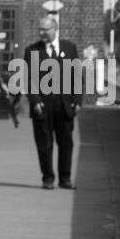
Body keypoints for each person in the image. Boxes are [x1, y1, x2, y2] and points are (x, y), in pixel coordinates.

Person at [22, 15, 80, 189]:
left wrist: (77, 101)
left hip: (64, 105)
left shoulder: (70, 48)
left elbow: (77, 76)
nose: (41, 33)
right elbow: (28, 78)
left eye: (45, 29)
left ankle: (65, 178)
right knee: (44, 143)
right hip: (42, 105)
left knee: (66, 143)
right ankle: (47, 178)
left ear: (55, 29)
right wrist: (35, 101)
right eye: (40, 29)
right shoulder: (31, 50)